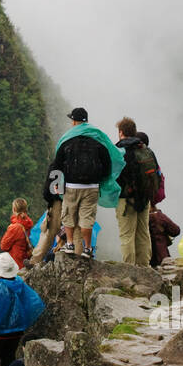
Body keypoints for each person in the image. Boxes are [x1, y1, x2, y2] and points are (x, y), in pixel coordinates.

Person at [54, 107, 123, 260]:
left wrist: (58, 184)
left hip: (71, 186)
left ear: (74, 121)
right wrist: (101, 180)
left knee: (69, 215)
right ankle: (87, 248)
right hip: (92, 186)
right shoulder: (97, 140)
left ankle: (70, 244)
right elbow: (107, 164)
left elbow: (57, 164)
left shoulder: (67, 140)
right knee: (87, 218)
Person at [115, 117, 155, 267]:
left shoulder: (118, 150)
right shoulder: (144, 149)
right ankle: (144, 268)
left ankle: (129, 270)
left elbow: (112, 175)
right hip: (144, 199)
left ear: (121, 132)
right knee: (143, 234)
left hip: (125, 200)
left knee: (127, 236)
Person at [0, 198, 33, 269]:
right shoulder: (28, 223)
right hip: (25, 260)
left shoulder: (15, 227)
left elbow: (3, 246)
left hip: (15, 263)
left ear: (14, 209)